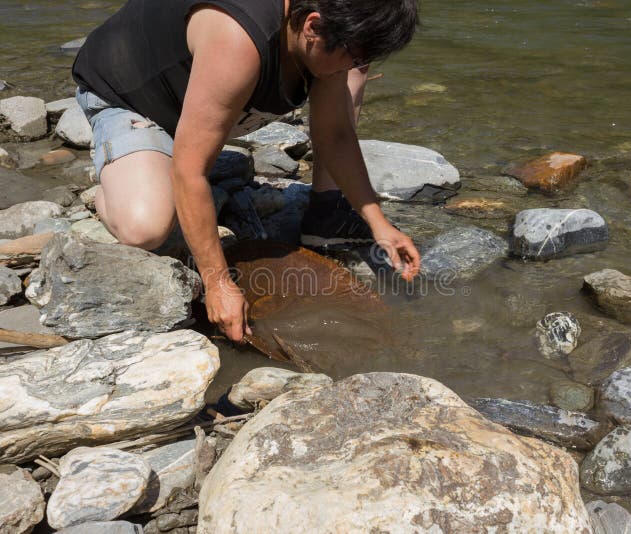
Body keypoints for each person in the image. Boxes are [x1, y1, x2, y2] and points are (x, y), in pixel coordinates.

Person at [72, 0, 421, 343]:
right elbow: (190, 172)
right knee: (145, 228)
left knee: (346, 75)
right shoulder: (237, 38)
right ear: (313, 26)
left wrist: (378, 223)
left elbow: (336, 135)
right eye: (355, 54)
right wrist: (218, 283)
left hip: (198, 100)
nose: (358, 64)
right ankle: (111, 179)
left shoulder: (321, 35)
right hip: (129, 100)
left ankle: (326, 212)